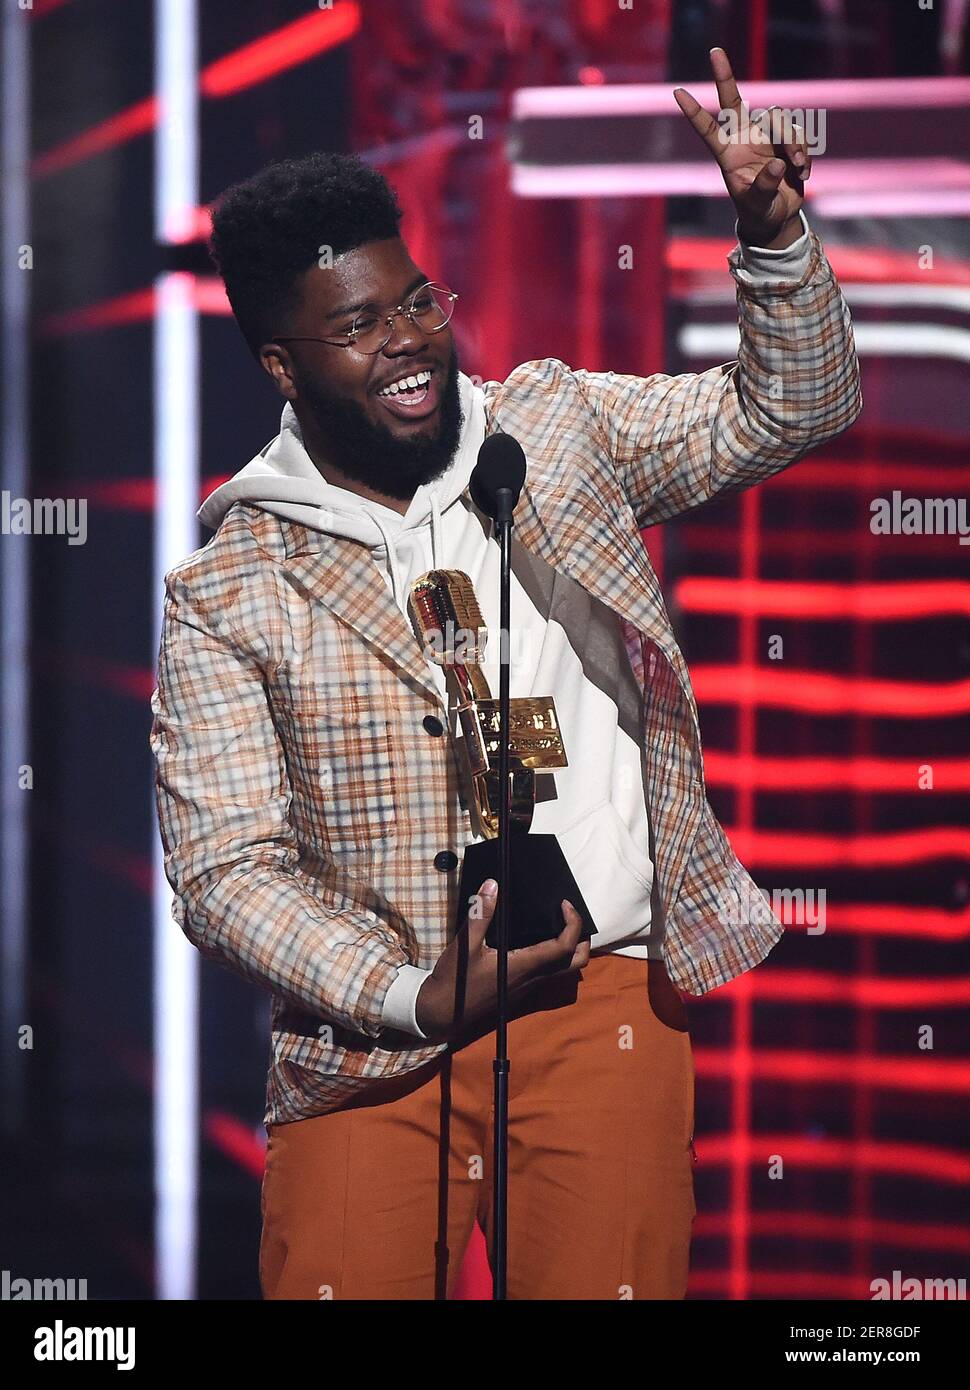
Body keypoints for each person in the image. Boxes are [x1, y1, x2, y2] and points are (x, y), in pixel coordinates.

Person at [150, 48, 862, 1300]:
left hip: (605, 996)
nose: (409, 342)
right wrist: (407, 993)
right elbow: (224, 873)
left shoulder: (554, 431)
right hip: (374, 1038)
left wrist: (772, 234)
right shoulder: (230, 586)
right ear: (280, 365)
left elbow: (790, 407)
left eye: (414, 301)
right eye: (358, 327)